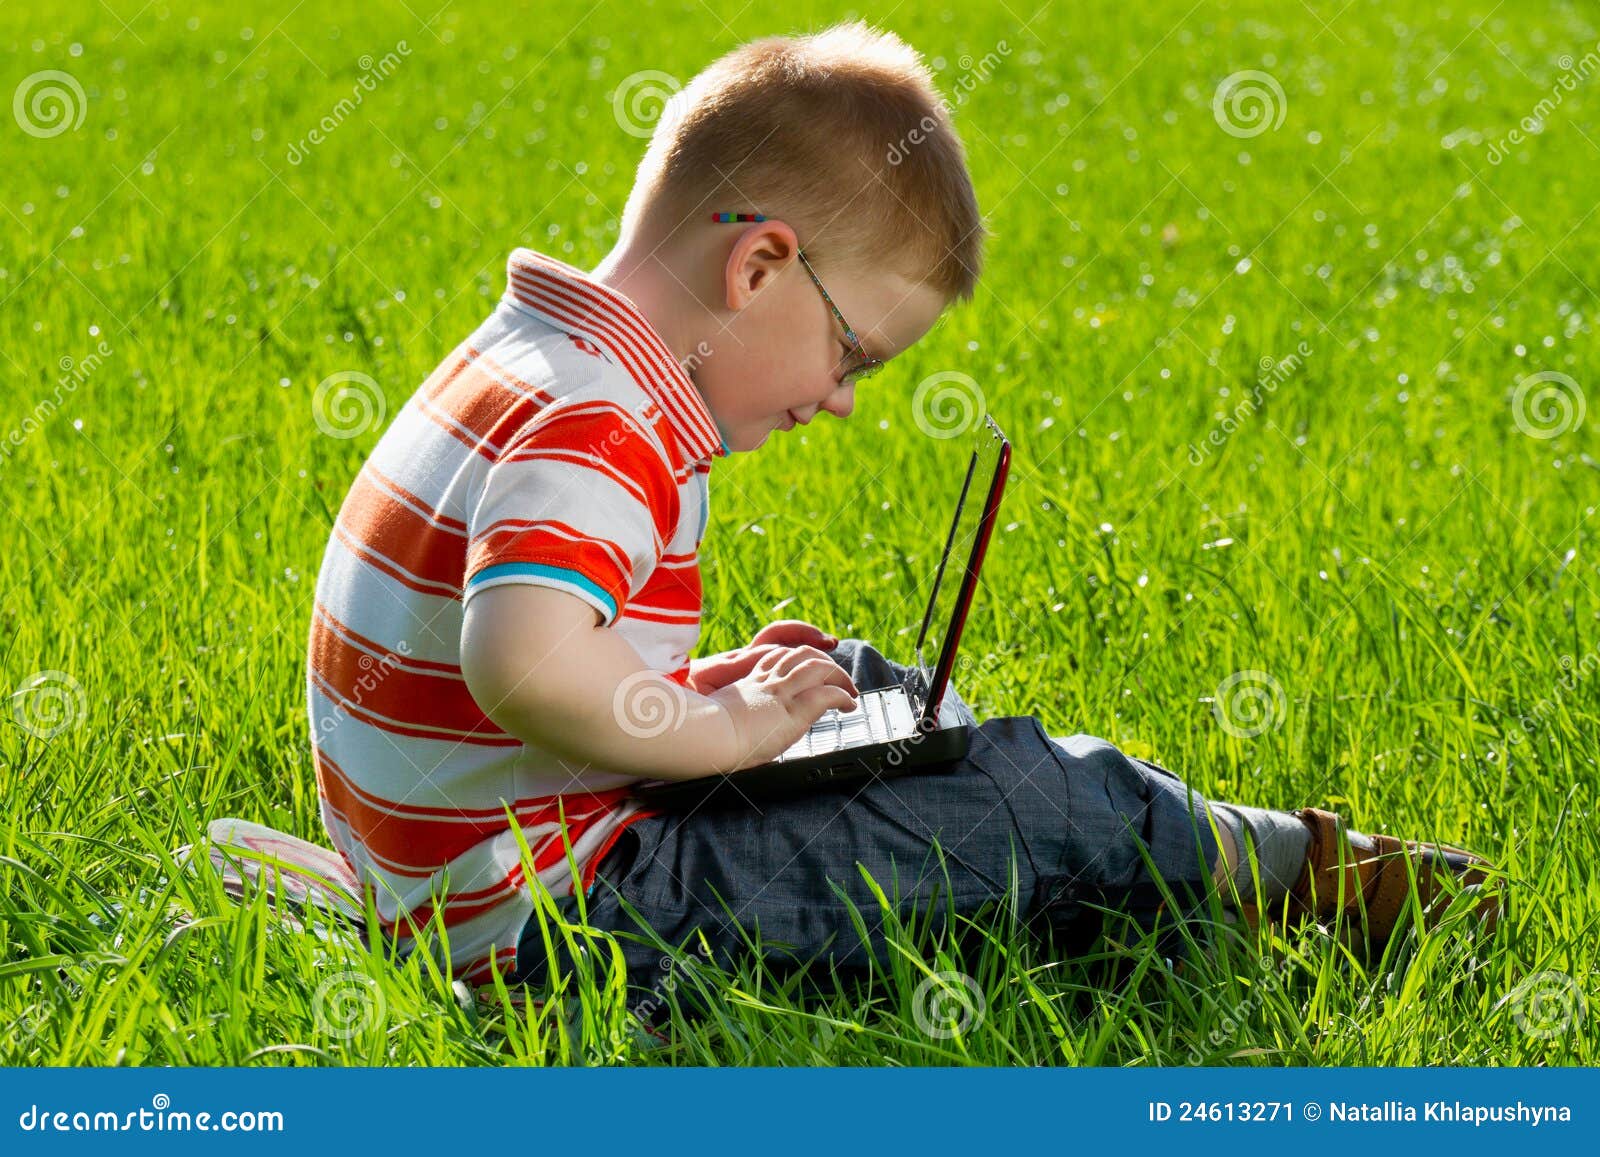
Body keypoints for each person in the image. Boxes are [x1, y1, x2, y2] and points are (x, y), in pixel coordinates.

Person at [304, 21, 1504, 1003]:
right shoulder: (605, 425)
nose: (834, 399)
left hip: (473, 874)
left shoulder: (534, 357)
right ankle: (1292, 870)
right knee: (1033, 797)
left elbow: (506, 683)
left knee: (850, 679)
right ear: (759, 265)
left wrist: (710, 686)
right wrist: (721, 736)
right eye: (851, 354)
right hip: (569, 934)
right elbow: (516, 664)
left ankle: (963, 821)